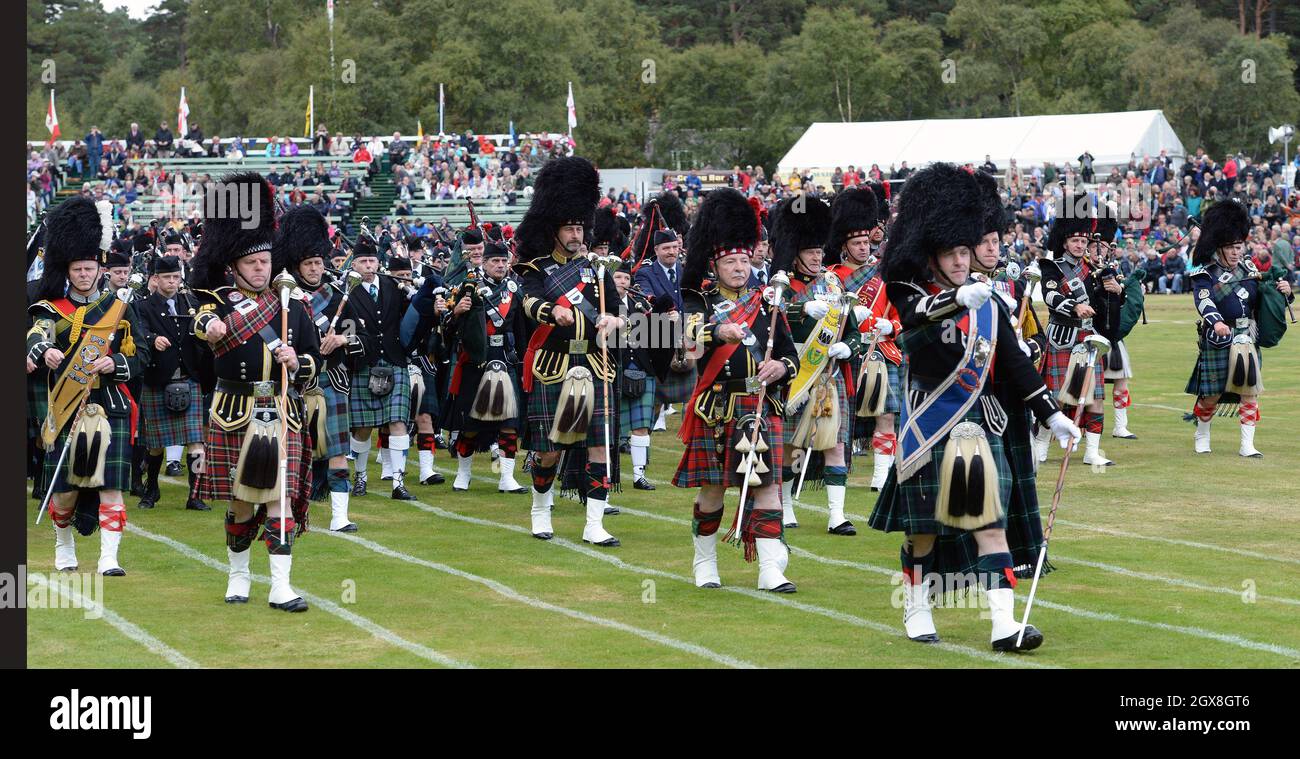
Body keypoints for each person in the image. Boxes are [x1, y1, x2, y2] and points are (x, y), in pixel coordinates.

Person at [866, 163, 1080, 651]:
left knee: (990, 521)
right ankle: (917, 607)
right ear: (933, 255)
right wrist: (957, 300)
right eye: (953, 252)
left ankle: (1004, 626)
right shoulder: (912, 295)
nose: (963, 261)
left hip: (981, 427)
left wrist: (1052, 413)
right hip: (931, 424)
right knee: (923, 533)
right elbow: (917, 328)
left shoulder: (988, 301)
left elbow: (1014, 363)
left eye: (967, 251)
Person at [187, 173, 320, 610]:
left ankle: (281, 586)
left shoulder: (292, 305)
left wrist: (296, 363)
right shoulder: (219, 301)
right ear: (235, 267)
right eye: (251, 263)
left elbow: (313, 361)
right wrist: (213, 327)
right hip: (235, 409)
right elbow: (201, 323)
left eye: (264, 261)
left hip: (282, 409)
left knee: (280, 496)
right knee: (243, 502)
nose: (260, 268)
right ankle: (238, 574)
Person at [674, 187, 800, 590]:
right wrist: (715, 331)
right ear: (715, 263)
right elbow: (687, 342)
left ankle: (768, 571)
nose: (740, 268)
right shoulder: (700, 301)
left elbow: (789, 354)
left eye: (745, 260)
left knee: (767, 488)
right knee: (713, 491)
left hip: (761, 406)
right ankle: (705, 562)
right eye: (731, 261)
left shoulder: (767, 303)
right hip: (718, 406)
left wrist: (782, 367)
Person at [27, 197, 151, 576]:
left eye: (90, 268)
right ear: (68, 270)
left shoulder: (121, 309)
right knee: (64, 490)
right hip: (65, 402)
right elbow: (36, 335)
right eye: (78, 269)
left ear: (100, 270)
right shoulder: (50, 307)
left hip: (108, 402)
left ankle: (108, 559)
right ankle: (64, 547)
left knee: (110, 486)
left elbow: (142, 353)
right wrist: (45, 350)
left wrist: (116, 362)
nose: (84, 274)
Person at [514, 156, 623, 546]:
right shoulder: (536, 268)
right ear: (554, 229)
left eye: (580, 227)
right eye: (570, 228)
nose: (577, 234)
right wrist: (552, 310)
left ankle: (594, 523)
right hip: (554, 366)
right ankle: (540, 508)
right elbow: (526, 303)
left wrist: (616, 322)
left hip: (595, 364)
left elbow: (619, 308)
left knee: (598, 443)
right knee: (549, 448)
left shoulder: (597, 269)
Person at [770, 193, 865, 535]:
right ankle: (786, 506)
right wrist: (797, 311)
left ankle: (836, 515)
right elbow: (770, 323)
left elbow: (854, 330)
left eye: (819, 251)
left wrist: (847, 347)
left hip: (829, 374)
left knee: (835, 444)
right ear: (795, 253)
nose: (816, 256)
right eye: (810, 251)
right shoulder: (780, 285)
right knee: (792, 444)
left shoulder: (833, 283)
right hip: (796, 373)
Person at [278, 206, 375, 531]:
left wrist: (341, 341)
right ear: (297, 265)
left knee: (337, 450)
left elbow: (359, 336)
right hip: (294, 382)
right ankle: (288, 511)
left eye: (319, 262)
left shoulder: (335, 296)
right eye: (309, 264)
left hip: (330, 380)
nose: (316, 269)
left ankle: (339, 516)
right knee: (292, 450)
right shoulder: (283, 297)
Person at [1186, 199, 1293, 456]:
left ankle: (1247, 445)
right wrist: (1217, 321)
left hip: (1247, 337)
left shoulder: (1249, 269)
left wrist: (1285, 294)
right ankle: (1201, 433)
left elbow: (1263, 300)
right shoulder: (1205, 273)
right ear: (1219, 247)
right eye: (1231, 247)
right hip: (1219, 338)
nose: (1236, 252)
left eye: (1239, 246)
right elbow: (1204, 300)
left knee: (1250, 392)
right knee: (1210, 396)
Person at [824, 185, 900, 491]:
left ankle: (882, 477)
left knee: (886, 415)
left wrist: (890, 327)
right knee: (840, 419)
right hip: (844, 351)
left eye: (866, 242)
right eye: (857, 243)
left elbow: (901, 317)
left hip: (881, 350)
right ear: (845, 245)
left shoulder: (885, 275)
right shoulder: (832, 276)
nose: (863, 248)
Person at [1034, 189, 1116, 467]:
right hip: (1062, 338)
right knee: (1056, 397)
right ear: (1064, 241)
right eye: (1075, 240)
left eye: (1084, 240)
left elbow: (1106, 306)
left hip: (1089, 339)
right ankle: (1041, 445)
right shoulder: (1051, 267)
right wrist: (1074, 306)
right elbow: (1050, 296)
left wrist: (1116, 292)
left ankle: (1092, 452)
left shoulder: (1096, 269)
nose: (1081, 245)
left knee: (1094, 397)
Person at [440, 238, 528, 493]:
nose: (500, 265)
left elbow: (522, 330)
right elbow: (448, 329)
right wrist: (456, 312)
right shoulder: (468, 287)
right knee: (470, 424)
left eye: (504, 261)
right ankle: (463, 473)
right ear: (485, 263)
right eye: (495, 261)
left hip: (505, 359)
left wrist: (522, 362)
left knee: (509, 422)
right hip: (476, 362)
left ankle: (507, 478)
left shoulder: (515, 290)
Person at [133, 254, 210, 511]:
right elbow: (137, 331)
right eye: (167, 277)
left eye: (176, 277)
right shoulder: (143, 306)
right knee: (155, 446)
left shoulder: (190, 302)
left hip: (189, 379)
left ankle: (195, 494)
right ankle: (152, 489)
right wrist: (152, 338)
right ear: (155, 278)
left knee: (197, 441)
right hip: (158, 380)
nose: (172, 282)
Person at [346, 238, 416, 500]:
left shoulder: (393, 285)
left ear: (379, 262)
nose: (368, 265)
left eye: (372, 260)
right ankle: (361, 477)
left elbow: (411, 317)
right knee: (363, 427)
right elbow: (345, 326)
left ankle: (398, 482)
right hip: (364, 362)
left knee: (398, 421)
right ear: (354, 264)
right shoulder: (348, 291)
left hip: (395, 360)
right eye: (363, 261)